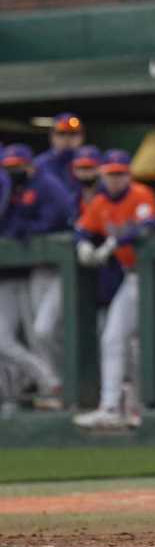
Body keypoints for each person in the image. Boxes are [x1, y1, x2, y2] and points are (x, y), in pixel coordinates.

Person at [72, 152, 155, 430]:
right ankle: (110, 406)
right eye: (110, 174)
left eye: (120, 173)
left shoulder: (141, 194)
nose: (115, 179)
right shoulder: (100, 202)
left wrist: (114, 241)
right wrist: (83, 243)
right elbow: (82, 228)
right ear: (103, 175)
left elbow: (145, 226)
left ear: (128, 175)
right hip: (131, 277)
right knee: (112, 338)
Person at [0, 144, 68, 410]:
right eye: (9, 167)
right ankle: (44, 381)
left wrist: (25, 229)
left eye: (19, 166)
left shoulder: (45, 184)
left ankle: (51, 387)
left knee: (39, 332)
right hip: (14, 275)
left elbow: (58, 217)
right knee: (7, 341)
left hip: (45, 270)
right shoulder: (11, 189)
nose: (14, 171)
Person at [33, 112, 85, 189]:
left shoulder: (89, 164)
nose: (67, 138)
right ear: (51, 136)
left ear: (82, 137)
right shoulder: (39, 165)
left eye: (73, 133)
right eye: (62, 133)